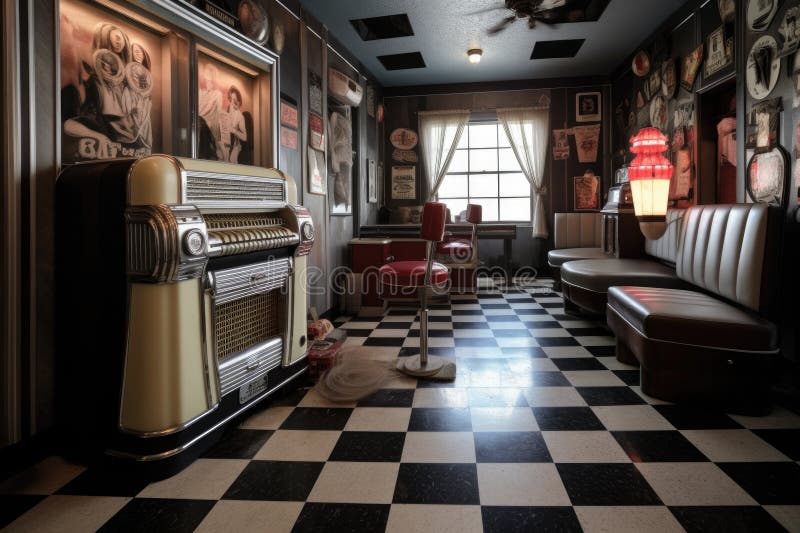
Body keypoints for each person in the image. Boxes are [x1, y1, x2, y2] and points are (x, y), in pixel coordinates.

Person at [220, 85, 247, 163]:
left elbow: (245, 137)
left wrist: (234, 130)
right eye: (232, 99)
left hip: (233, 150)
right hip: (222, 149)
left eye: (236, 100)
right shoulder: (224, 112)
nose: (234, 102)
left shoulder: (240, 117)